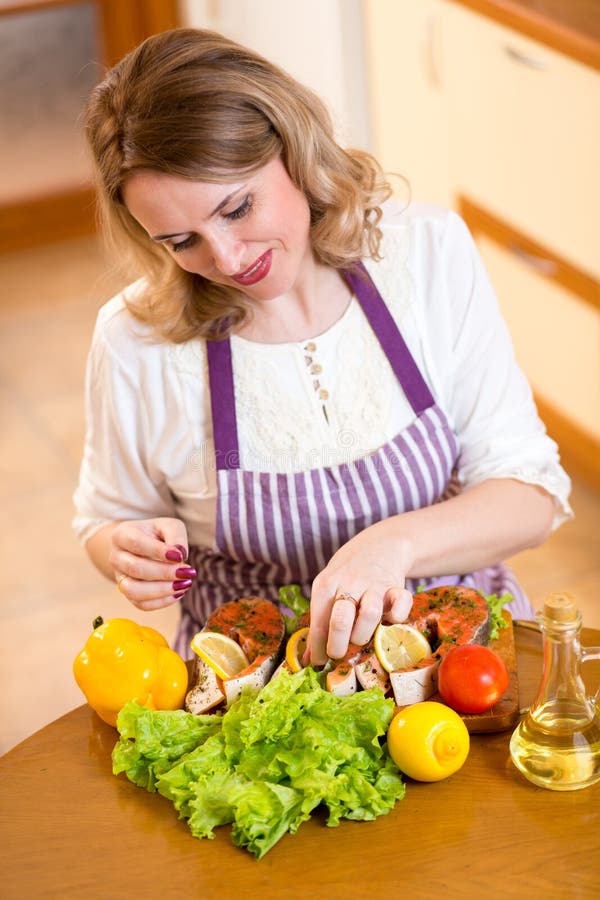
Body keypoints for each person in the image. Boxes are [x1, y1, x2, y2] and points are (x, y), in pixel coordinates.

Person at [74, 27, 572, 667]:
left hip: (458, 658)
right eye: (179, 240)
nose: (225, 259)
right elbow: (105, 518)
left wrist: (395, 545)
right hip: (259, 689)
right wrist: (124, 549)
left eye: (237, 207)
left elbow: (528, 494)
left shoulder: (424, 255)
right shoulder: (134, 341)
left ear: (293, 149)